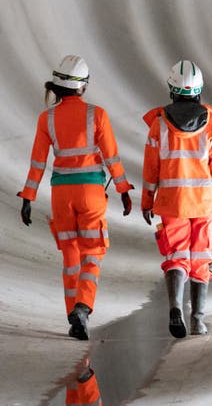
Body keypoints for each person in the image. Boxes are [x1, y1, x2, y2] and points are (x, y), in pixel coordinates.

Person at [19, 55, 134, 340]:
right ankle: (83, 306)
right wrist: (122, 190)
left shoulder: (47, 119)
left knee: (70, 257)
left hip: (61, 194)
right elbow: (111, 158)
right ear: (83, 86)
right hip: (91, 193)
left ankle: (73, 317)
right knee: (92, 254)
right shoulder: (98, 115)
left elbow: (38, 162)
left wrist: (28, 197)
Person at [141, 60, 212, 338]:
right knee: (201, 260)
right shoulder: (211, 124)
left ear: (171, 89)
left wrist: (147, 200)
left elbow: (151, 168)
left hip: (172, 203)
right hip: (205, 204)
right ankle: (197, 319)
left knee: (176, 257)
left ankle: (175, 307)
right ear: (199, 90)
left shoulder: (159, 125)